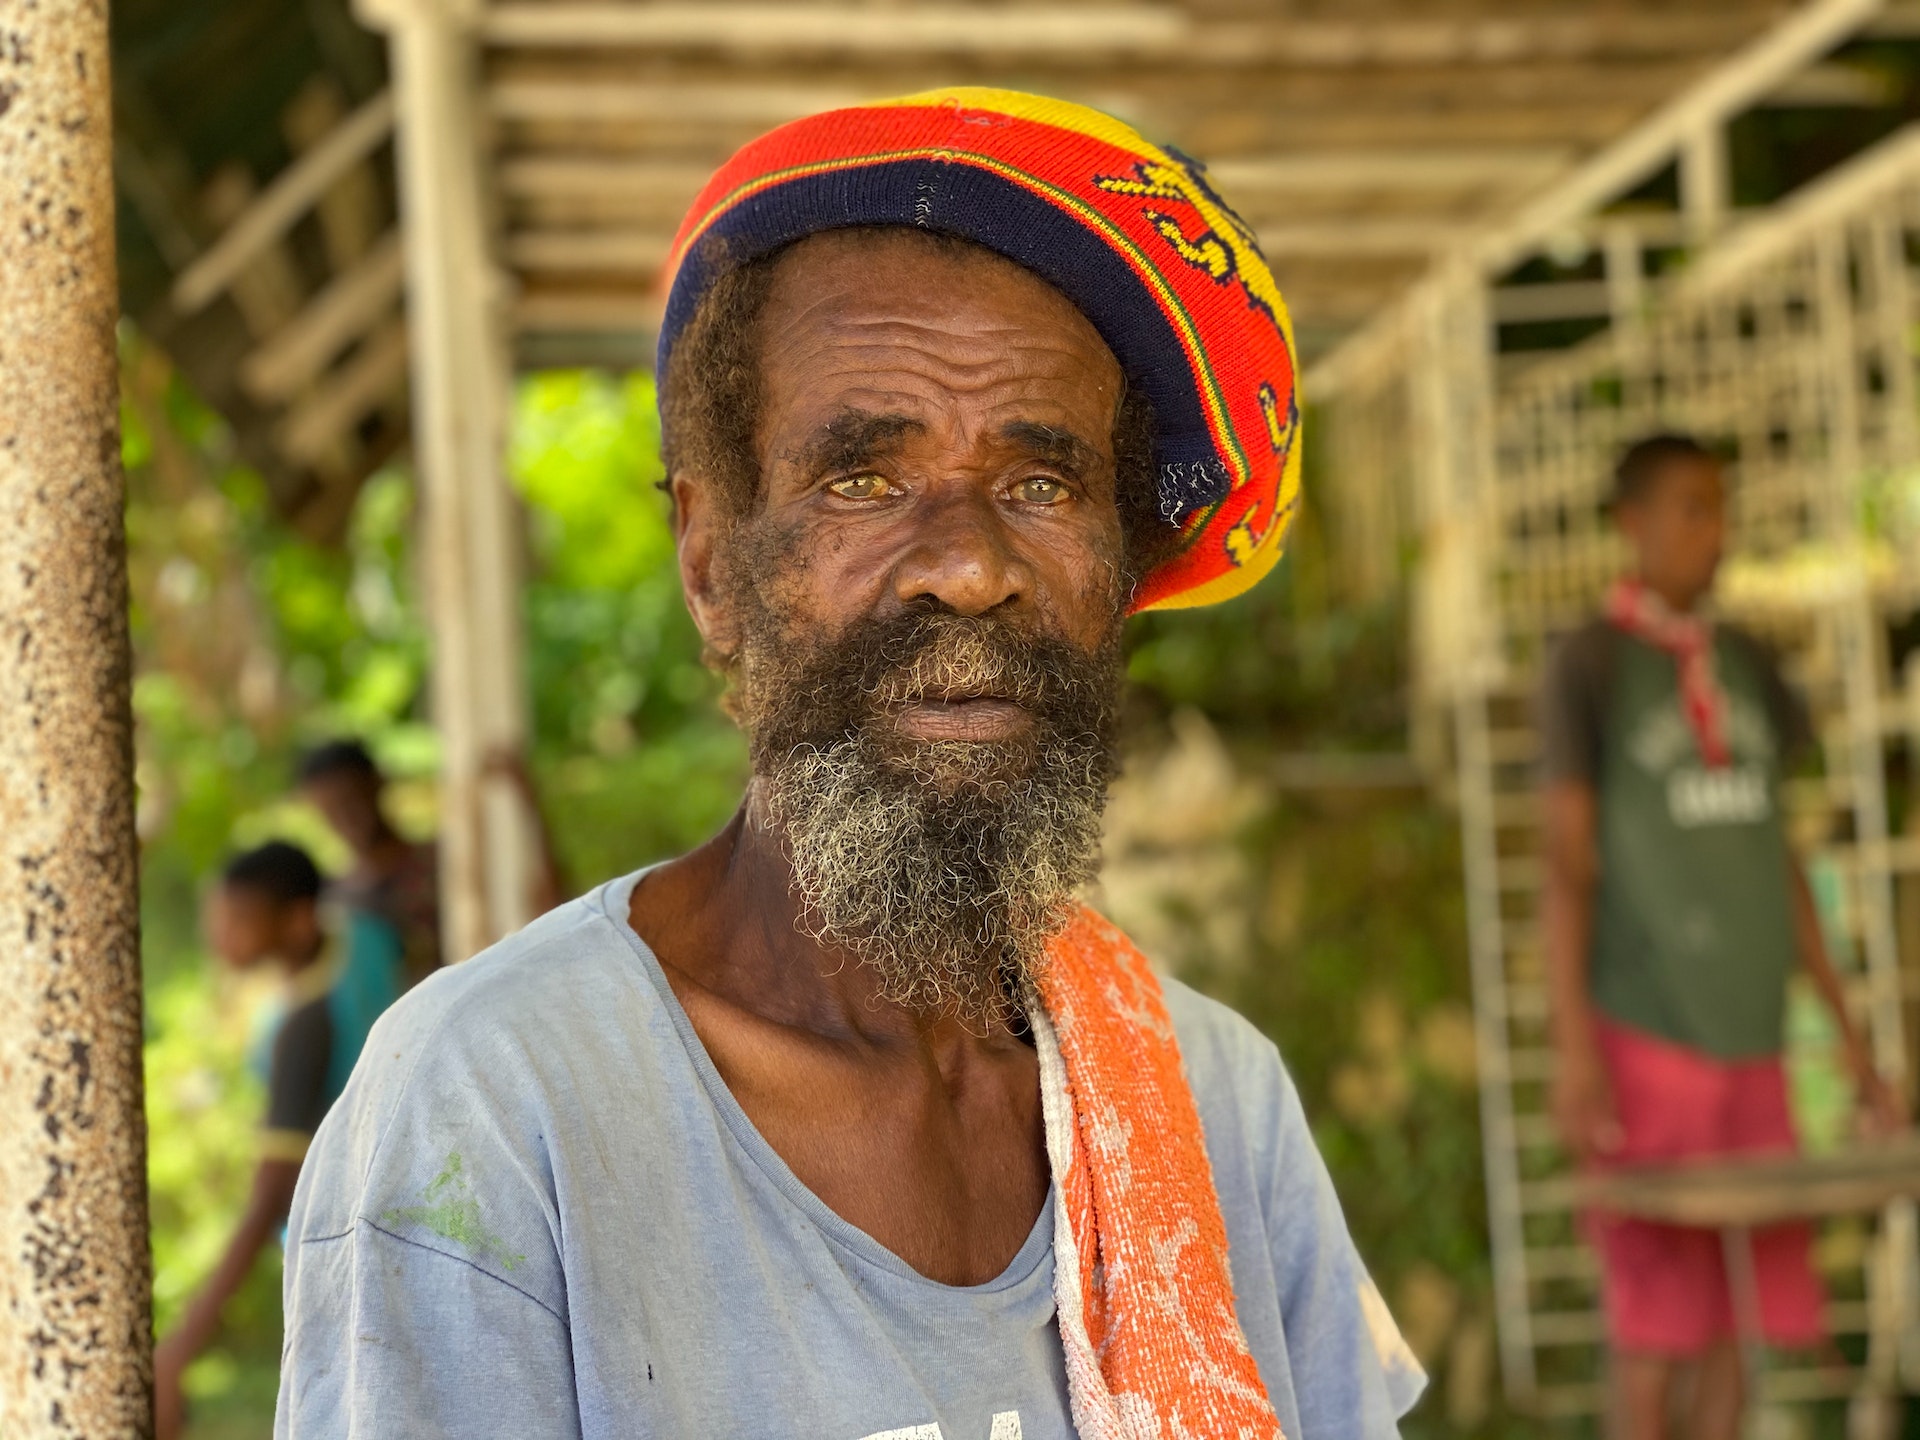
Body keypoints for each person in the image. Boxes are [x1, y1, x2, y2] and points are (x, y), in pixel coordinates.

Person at [278, 89, 1424, 1439]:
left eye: (1045, 487)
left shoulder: (1214, 1101)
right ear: (713, 565)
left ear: (1119, 578)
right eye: (864, 481)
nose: (970, 566)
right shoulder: (491, 1110)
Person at [1540, 433, 1905, 1440]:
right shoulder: (1591, 664)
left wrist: (1851, 1041)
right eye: (1692, 507)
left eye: (1720, 508)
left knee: (1737, 1327)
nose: (1716, 531)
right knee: (1658, 1328)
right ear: (1632, 524)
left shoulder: (1747, 664)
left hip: (1758, 1039)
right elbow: (1565, 866)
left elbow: (1776, 861)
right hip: (1648, 1034)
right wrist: (1574, 1051)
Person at [155, 841, 404, 1440]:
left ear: (296, 921)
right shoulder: (361, 943)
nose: (220, 936)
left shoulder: (305, 1025)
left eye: (239, 919)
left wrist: (178, 1351)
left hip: (349, 1248)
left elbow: (273, 1191)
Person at [296, 739, 442, 982]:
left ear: (376, 782)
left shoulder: (442, 860)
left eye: (352, 800)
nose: (346, 818)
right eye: (331, 810)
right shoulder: (332, 903)